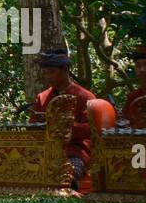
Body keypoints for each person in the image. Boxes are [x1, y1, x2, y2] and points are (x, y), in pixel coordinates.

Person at [29, 49, 96, 189]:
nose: (48, 77)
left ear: (65, 70)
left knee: (67, 175)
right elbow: (33, 126)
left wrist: (66, 126)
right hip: (45, 151)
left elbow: (91, 129)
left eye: (51, 72)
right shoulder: (42, 97)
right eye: (46, 73)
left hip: (75, 151)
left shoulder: (85, 96)